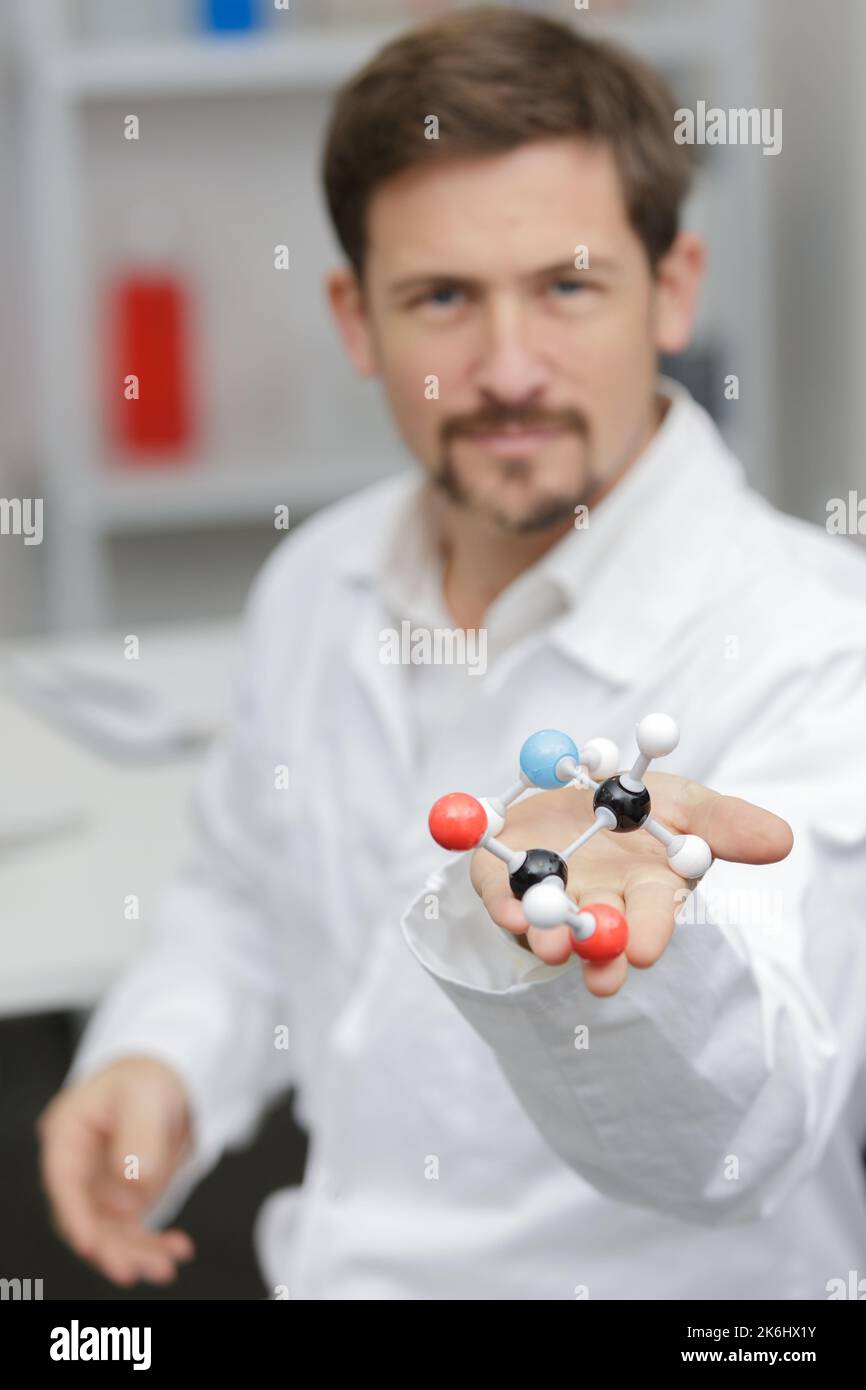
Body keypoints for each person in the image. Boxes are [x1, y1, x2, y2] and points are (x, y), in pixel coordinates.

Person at [38, 7, 866, 1300]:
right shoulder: (316, 581)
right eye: (439, 298)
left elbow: (744, 1140)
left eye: (567, 286)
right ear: (355, 319)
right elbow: (247, 898)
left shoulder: (818, 645)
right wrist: (161, 1059)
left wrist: (616, 957)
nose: (506, 369)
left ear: (676, 289)